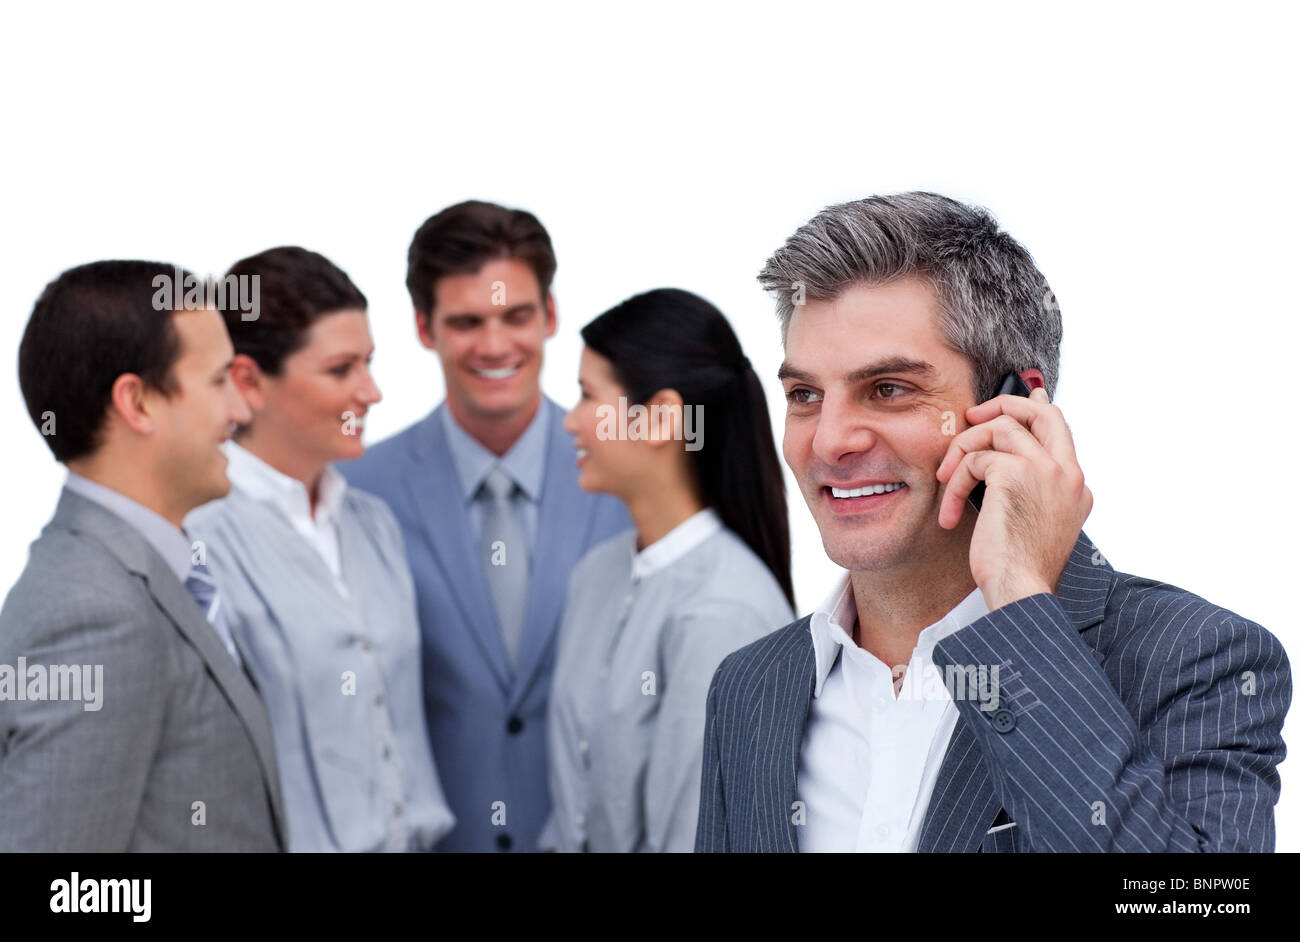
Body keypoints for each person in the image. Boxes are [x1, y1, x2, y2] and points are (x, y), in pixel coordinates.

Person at [696, 192, 1292, 853]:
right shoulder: (749, 688)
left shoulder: (1195, 661)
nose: (829, 441)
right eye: (805, 395)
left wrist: (1019, 601)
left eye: (888, 389)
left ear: (1012, 407)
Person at [338, 201, 630, 852]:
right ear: (423, 327)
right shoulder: (354, 492)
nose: (495, 346)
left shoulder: (630, 484)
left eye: (516, 317)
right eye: (467, 322)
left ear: (551, 317)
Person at [0, 260, 285, 851]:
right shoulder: (91, 613)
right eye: (216, 381)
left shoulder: (146, 574)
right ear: (137, 403)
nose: (242, 409)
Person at [185, 246, 457, 852]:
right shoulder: (198, 542)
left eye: (370, 363)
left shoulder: (373, 525)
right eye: (342, 370)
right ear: (249, 382)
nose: (372, 392)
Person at [539, 288, 795, 852]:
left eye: (587, 396)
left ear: (660, 418)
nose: (570, 422)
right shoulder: (596, 576)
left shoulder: (724, 612)